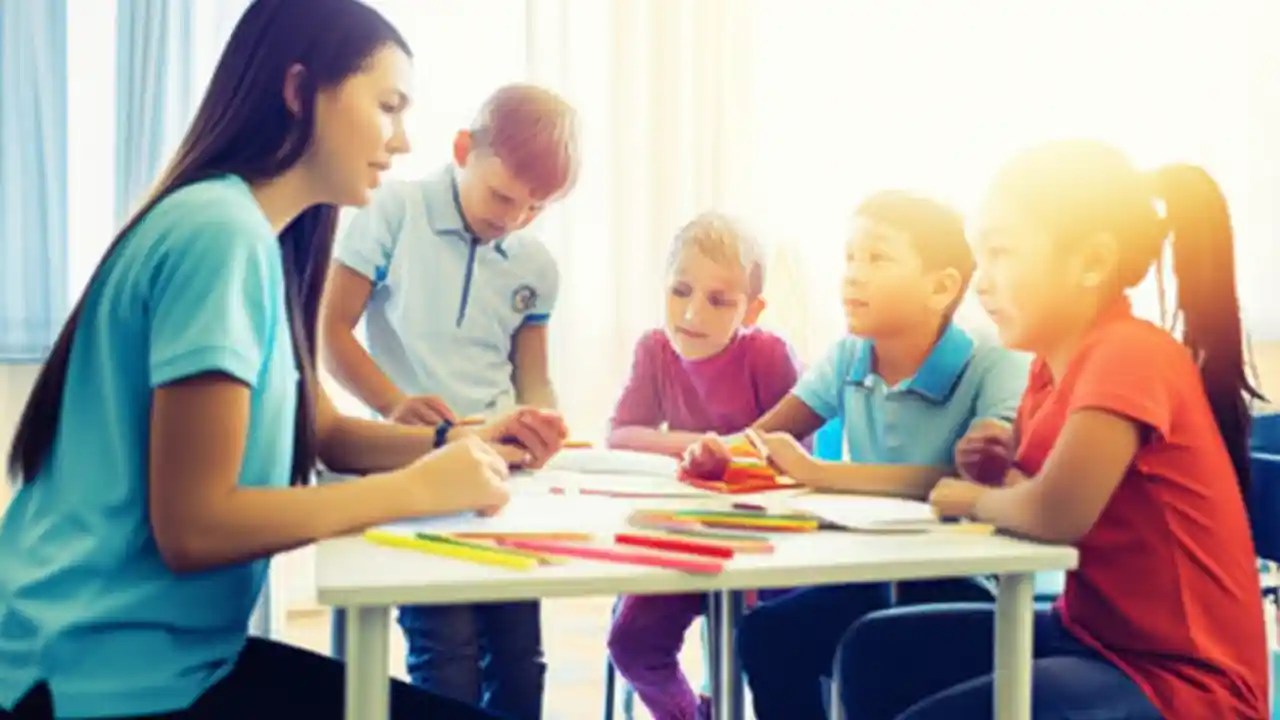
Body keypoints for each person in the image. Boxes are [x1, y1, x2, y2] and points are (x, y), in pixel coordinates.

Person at [0, 1, 565, 718]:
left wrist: (460, 439)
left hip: (168, 660)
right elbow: (195, 527)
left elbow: (325, 433)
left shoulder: (256, 241)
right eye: (388, 106)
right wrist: (416, 489)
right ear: (299, 90)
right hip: (90, 678)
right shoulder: (218, 235)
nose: (401, 141)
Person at [838, 141, 1269, 719]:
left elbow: (1056, 513)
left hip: (1181, 680)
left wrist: (973, 497)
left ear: (1091, 262)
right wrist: (998, 468)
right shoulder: (1047, 371)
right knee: (876, 651)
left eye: (1000, 253)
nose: (980, 281)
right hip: (1093, 637)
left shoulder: (1129, 354)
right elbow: (1032, 490)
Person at [682, 192, 1030, 719]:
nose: (853, 276)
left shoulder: (993, 359)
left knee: (879, 653)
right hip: (871, 572)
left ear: (941, 288)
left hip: (962, 581)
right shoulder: (850, 354)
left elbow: (969, 480)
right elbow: (761, 437)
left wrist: (821, 474)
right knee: (768, 635)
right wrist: (716, 454)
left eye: (877, 258)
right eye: (850, 258)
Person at [318, 82, 579, 719]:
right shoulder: (394, 211)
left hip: (500, 476)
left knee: (519, 659)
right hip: (414, 465)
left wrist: (543, 422)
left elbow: (533, 378)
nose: (513, 218)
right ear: (463, 150)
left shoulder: (535, 266)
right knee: (446, 655)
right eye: (503, 196)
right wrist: (392, 403)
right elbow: (330, 331)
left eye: (534, 208)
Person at [605, 212, 801, 720]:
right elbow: (620, 436)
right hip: (682, 532)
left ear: (751, 310)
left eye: (719, 300)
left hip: (765, 537)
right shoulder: (654, 349)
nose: (692, 313)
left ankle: (723, 700)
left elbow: (795, 457)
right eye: (680, 291)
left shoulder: (770, 356)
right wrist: (701, 447)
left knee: (769, 643)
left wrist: (725, 456)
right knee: (631, 642)